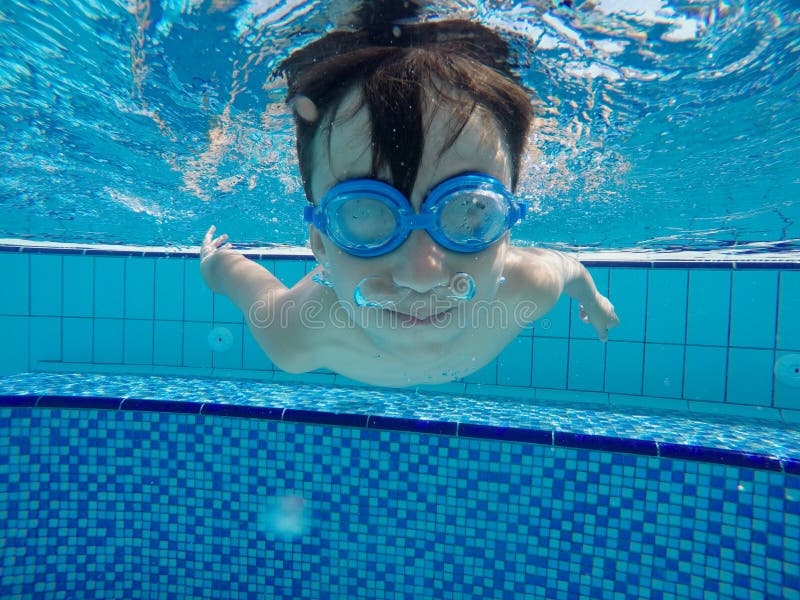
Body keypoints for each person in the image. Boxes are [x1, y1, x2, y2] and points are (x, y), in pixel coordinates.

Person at [200, 1, 619, 387]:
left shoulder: (531, 284)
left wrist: (595, 300)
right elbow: (241, 281)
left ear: (506, 232)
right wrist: (216, 264)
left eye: (469, 209)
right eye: (364, 214)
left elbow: (570, 271)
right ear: (320, 246)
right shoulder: (296, 335)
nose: (421, 278)